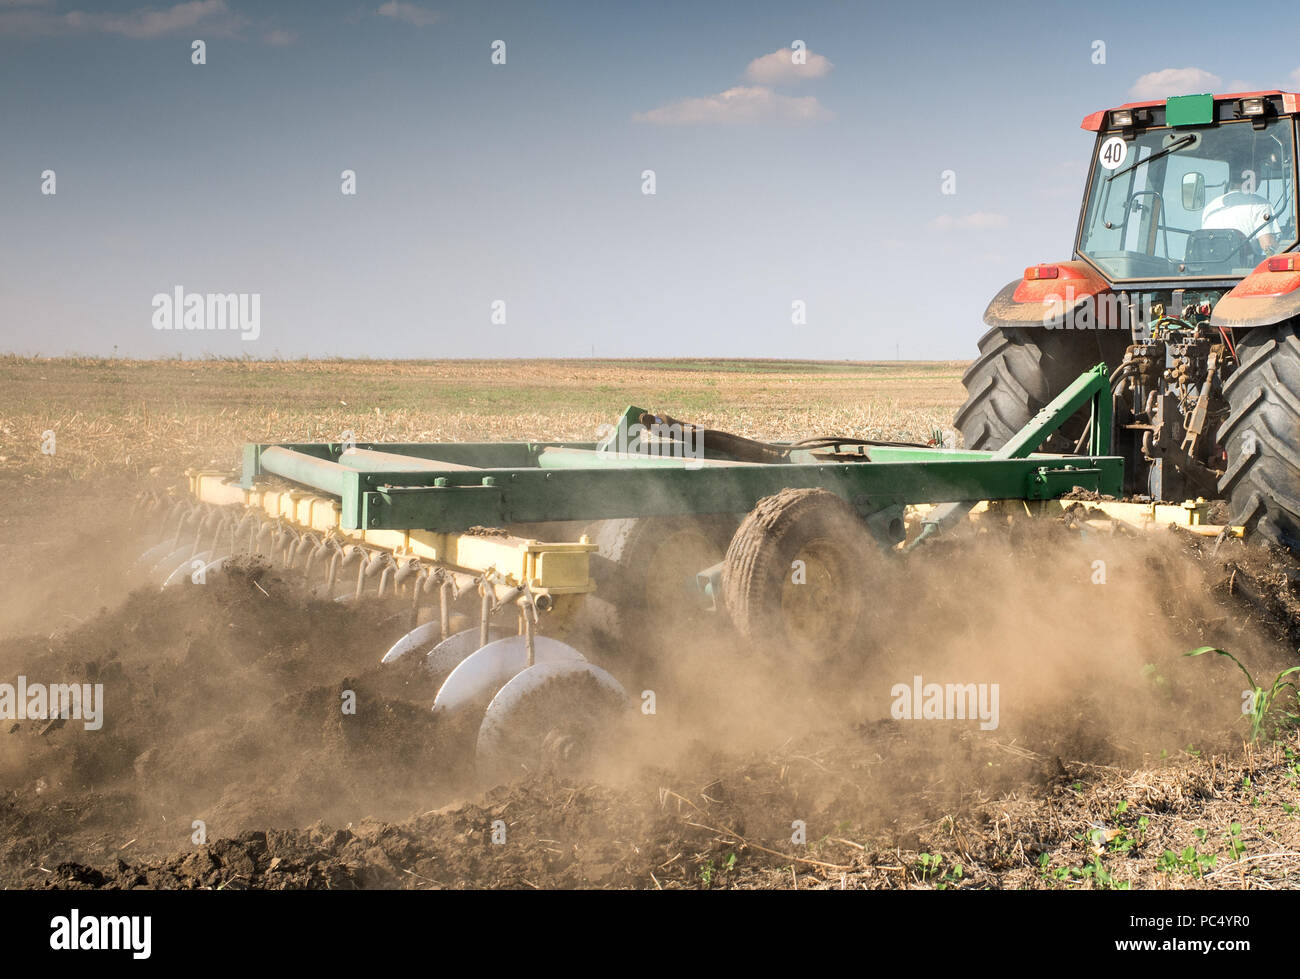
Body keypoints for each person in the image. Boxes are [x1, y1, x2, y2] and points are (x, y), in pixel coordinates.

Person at [1201, 149, 1280, 254]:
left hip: (1210, 269)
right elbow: (1269, 246)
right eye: (1259, 171)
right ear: (1252, 174)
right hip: (1245, 269)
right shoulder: (1261, 205)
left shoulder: (1211, 208)